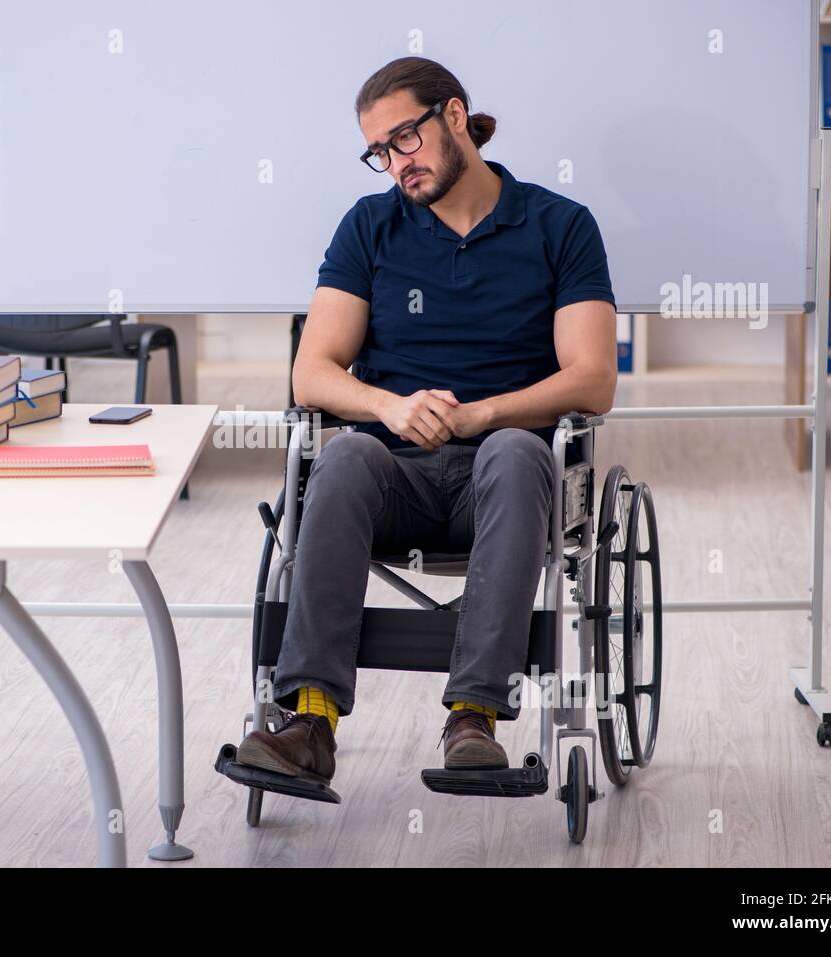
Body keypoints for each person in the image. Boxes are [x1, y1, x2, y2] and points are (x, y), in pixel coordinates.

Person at [235, 56, 618, 788]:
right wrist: (390, 406)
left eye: (404, 139)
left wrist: (481, 412)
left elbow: (593, 379)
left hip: (507, 479)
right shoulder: (371, 227)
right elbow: (311, 371)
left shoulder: (560, 226)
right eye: (379, 151)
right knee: (343, 459)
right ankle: (309, 723)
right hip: (396, 474)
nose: (394, 164)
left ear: (453, 116)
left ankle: (474, 716)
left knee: (510, 449)